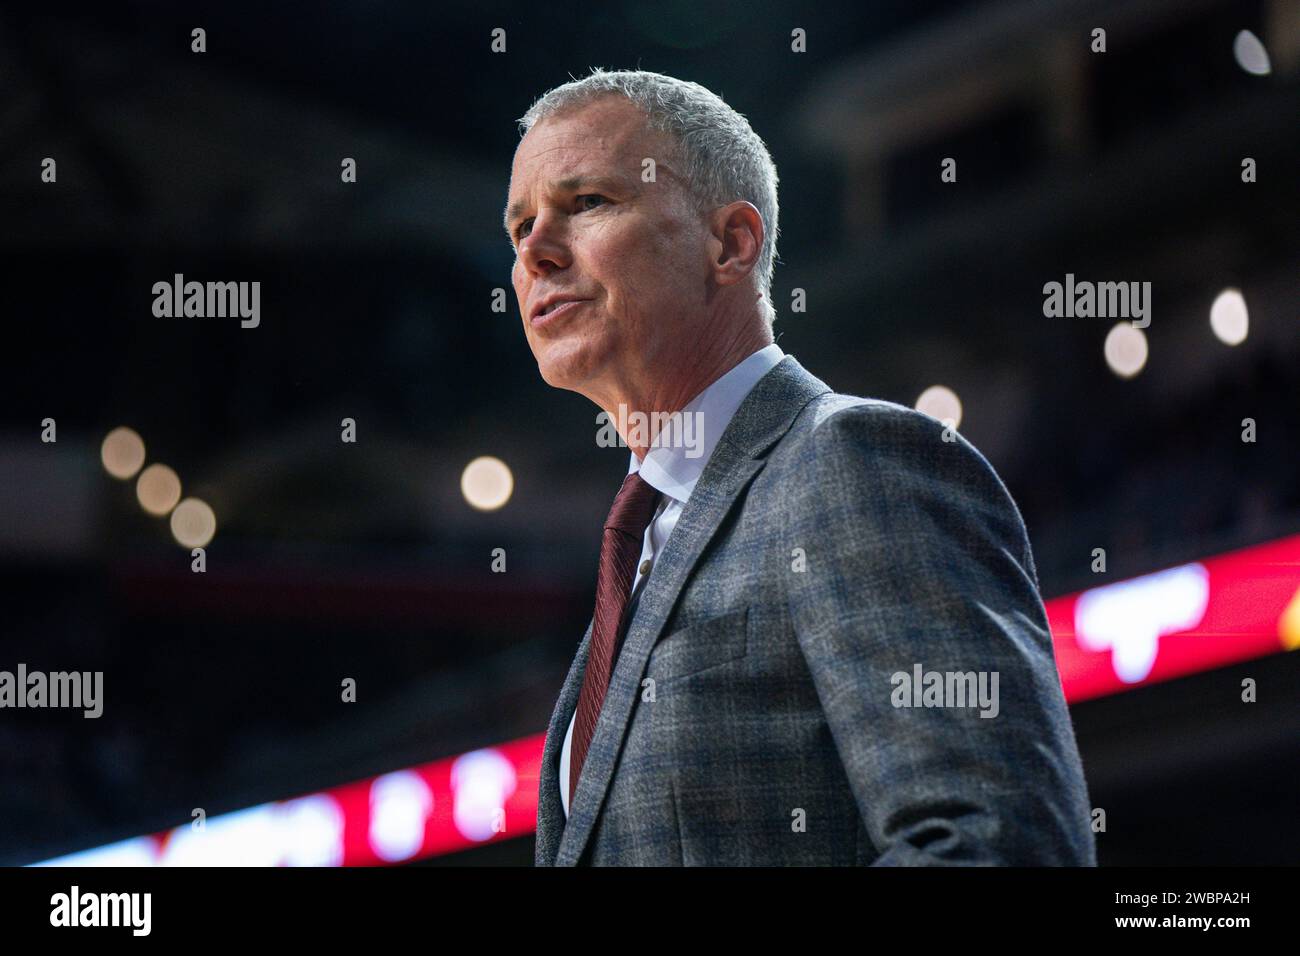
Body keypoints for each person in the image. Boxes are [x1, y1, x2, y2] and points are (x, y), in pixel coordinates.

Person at [504, 68, 1095, 865]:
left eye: (587, 204)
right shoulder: (639, 550)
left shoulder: (850, 462)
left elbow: (998, 842)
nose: (536, 251)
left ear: (729, 243)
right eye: (520, 228)